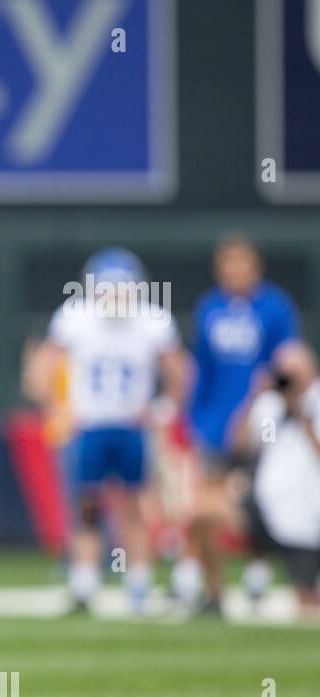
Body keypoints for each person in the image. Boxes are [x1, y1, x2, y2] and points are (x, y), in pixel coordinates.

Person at [25, 248, 186, 614]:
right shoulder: (75, 318)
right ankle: (85, 583)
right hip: (90, 425)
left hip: (132, 426)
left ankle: (139, 584)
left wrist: (166, 409)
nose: (114, 296)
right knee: (86, 508)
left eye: (121, 289)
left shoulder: (152, 321)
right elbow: (45, 367)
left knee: (134, 507)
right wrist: (56, 408)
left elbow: (179, 370)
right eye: (108, 289)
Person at [175, 235, 314, 614]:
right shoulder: (210, 308)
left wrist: (260, 404)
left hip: (263, 422)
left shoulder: (275, 307)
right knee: (208, 501)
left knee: (266, 493)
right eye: (229, 263)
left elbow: (286, 363)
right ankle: (208, 585)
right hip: (218, 423)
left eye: (243, 262)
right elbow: (201, 368)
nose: (236, 271)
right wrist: (196, 417)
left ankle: (260, 571)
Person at [237, 353, 320, 617]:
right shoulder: (269, 405)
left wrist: (302, 417)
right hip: (267, 502)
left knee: (306, 600)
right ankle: (254, 578)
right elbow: (241, 446)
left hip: (309, 511)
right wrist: (253, 397)